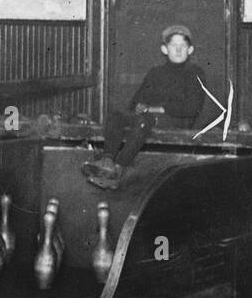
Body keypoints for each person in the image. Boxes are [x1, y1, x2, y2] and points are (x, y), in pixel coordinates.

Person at [83, 24, 206, 190]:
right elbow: (135, 102)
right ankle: (107, 161)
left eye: (182, 46)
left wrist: (158, 109)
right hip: (149, 119)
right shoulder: (156, 73)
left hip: (177, 124)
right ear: (164, 49)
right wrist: (140, 105)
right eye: (173, 46)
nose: (178, 50)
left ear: (190, 50)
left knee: (144, 120)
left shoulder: (195, 73)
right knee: (117, 115)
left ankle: (117, 171)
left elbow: (192, 108)